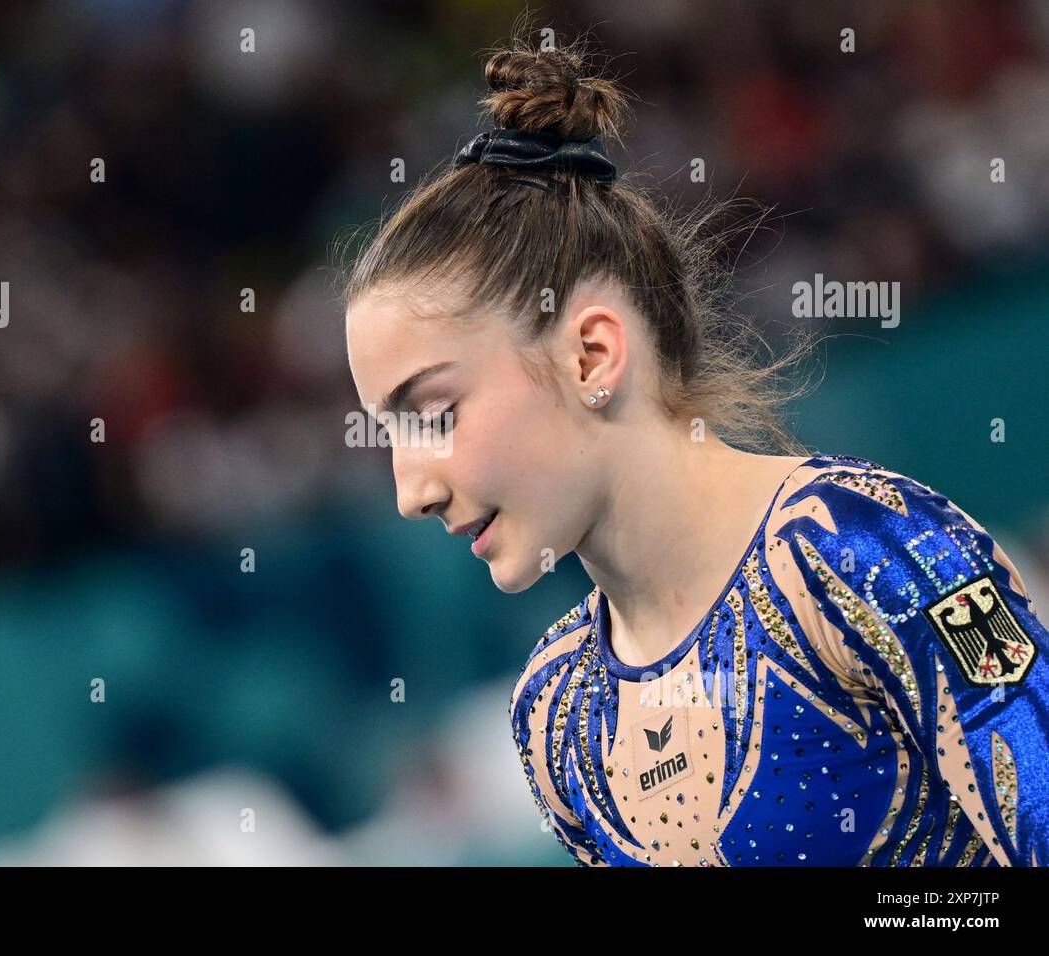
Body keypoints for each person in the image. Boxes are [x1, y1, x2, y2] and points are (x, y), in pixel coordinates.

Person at [339, 34, 1048, 865]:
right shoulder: (558, 715)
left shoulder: (857, 551)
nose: (409, 491)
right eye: (389, 437)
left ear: (591, 356)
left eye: (431, 414)